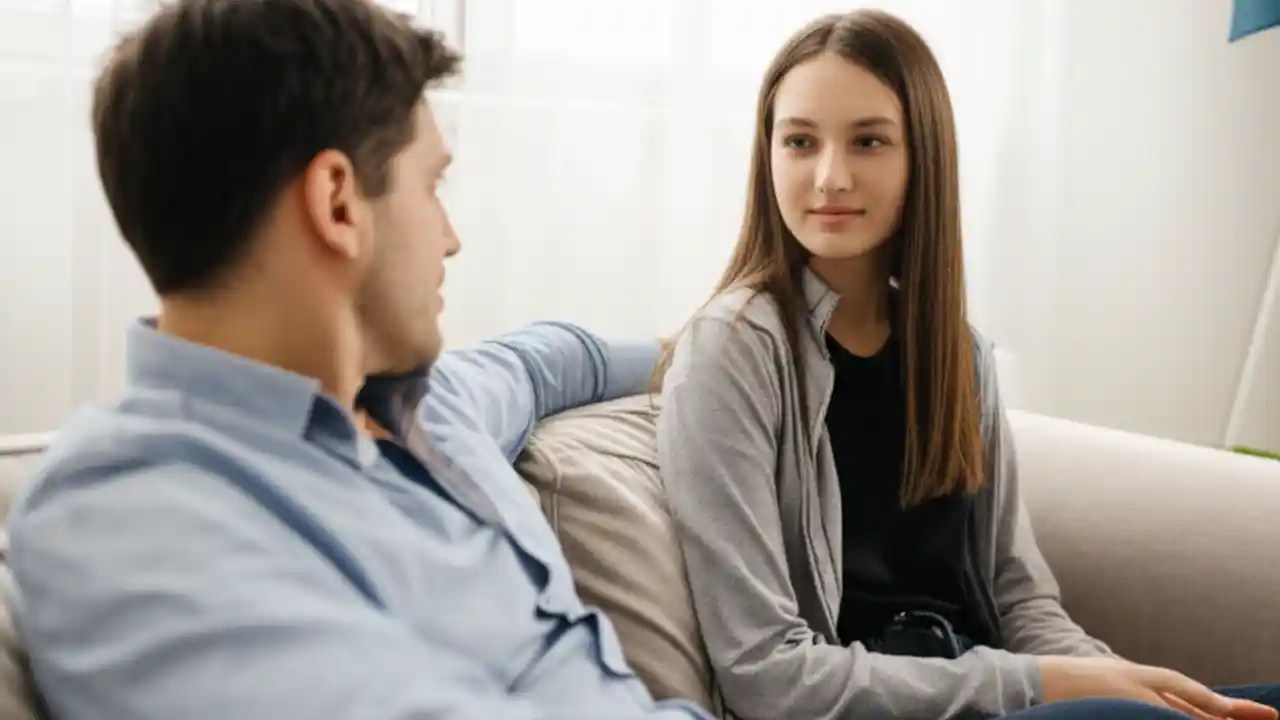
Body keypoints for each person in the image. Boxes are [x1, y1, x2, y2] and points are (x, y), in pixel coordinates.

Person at [5, 1, 710, 718]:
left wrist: (709, 348)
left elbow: (544, 362)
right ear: (338, 203)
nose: (450, 237)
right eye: (432, 187)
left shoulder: (431, 406)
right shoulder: (131, 518)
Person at [655, 10, 1280, 720]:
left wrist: (1126, 681)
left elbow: (1020, 598)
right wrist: (1053, 687)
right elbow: (766, 675)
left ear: (922, 155)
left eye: (868, 141)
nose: (829, 176)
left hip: (1003, 696)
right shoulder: (731, 353)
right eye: (800, 141)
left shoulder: (958, 355)